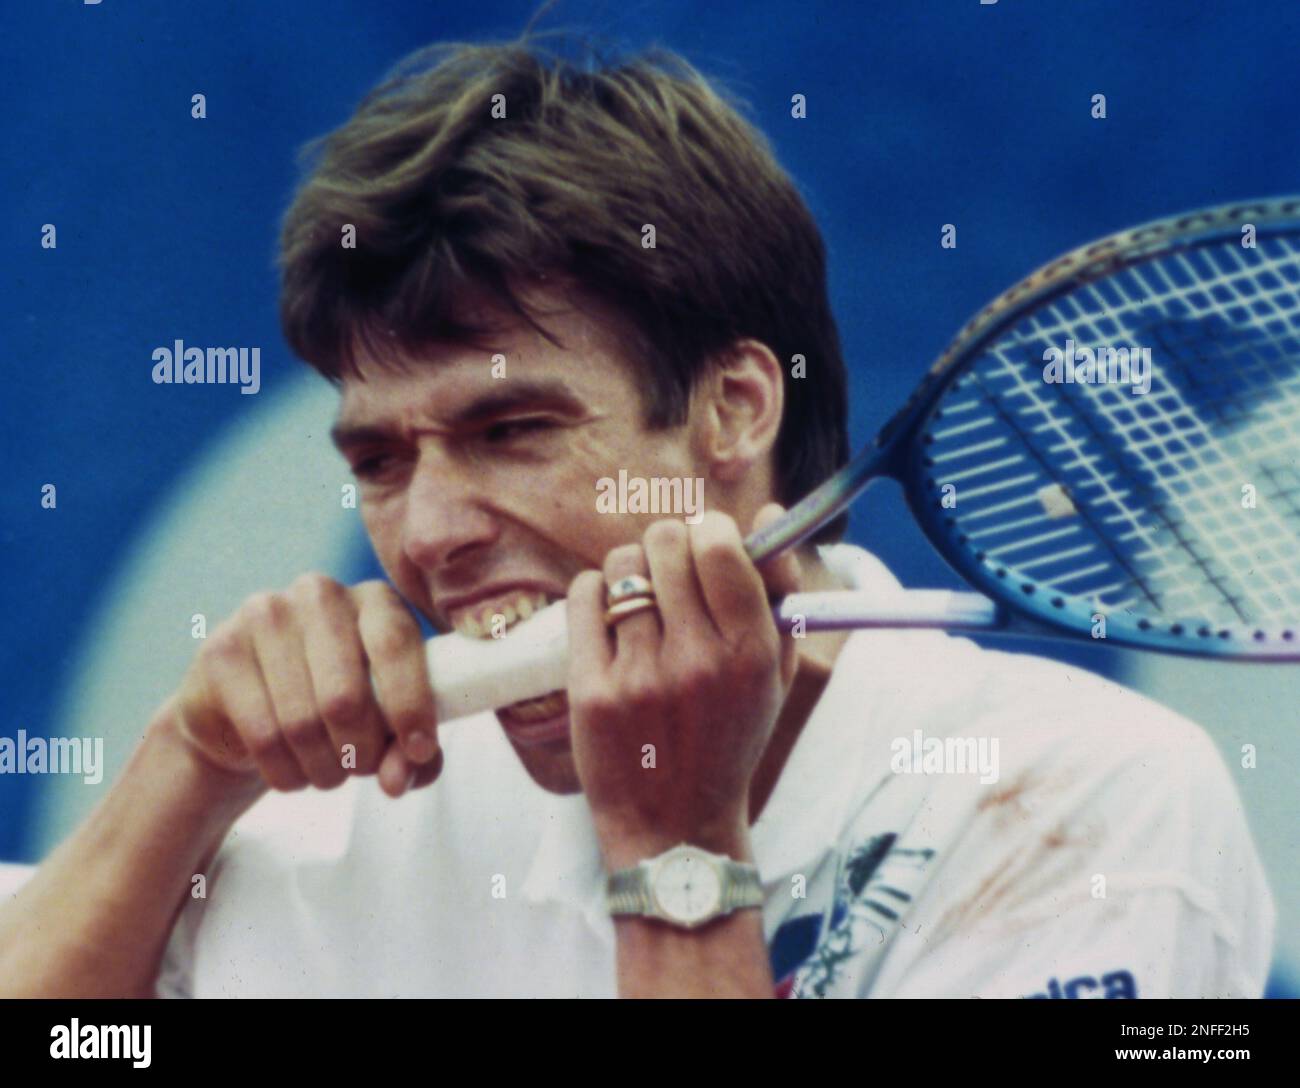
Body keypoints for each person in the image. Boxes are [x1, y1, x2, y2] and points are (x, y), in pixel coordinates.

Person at [0, 33, 1273, 998]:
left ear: (730, 409)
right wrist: (184, 766)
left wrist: (677, 855)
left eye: (514, 430)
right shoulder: (289, 807)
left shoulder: (1097, 808)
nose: (429, 531)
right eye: (382, 458)